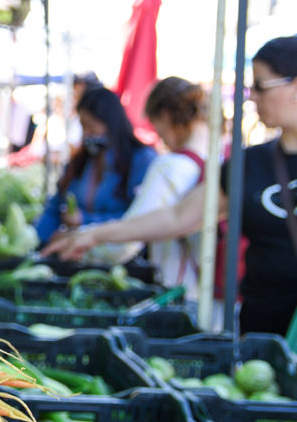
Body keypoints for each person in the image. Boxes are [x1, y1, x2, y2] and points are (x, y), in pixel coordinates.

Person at [45, 36, 297, 336]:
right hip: (262, 333)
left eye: (259, 85)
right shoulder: (250, 163)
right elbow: (177, 217)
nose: (250, 96)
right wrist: (94, 233)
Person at [80, 77, 211, 300]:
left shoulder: (170, 166)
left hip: (180, 291)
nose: (157, 133)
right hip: (214, 294)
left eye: (154, 122)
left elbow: (129, 239)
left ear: (166, 116)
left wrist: (83, 244)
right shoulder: (220, 160)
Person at [34, 86, 157, 244]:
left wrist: (86, 220)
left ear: (111, 122)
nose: (87, 133)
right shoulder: (81, 161)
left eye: (91, 126)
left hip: (119, 252)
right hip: (77, 252)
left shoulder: (141, 159)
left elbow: (141, 218)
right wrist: (38, 241)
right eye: (83, 126)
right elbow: (55, 207)